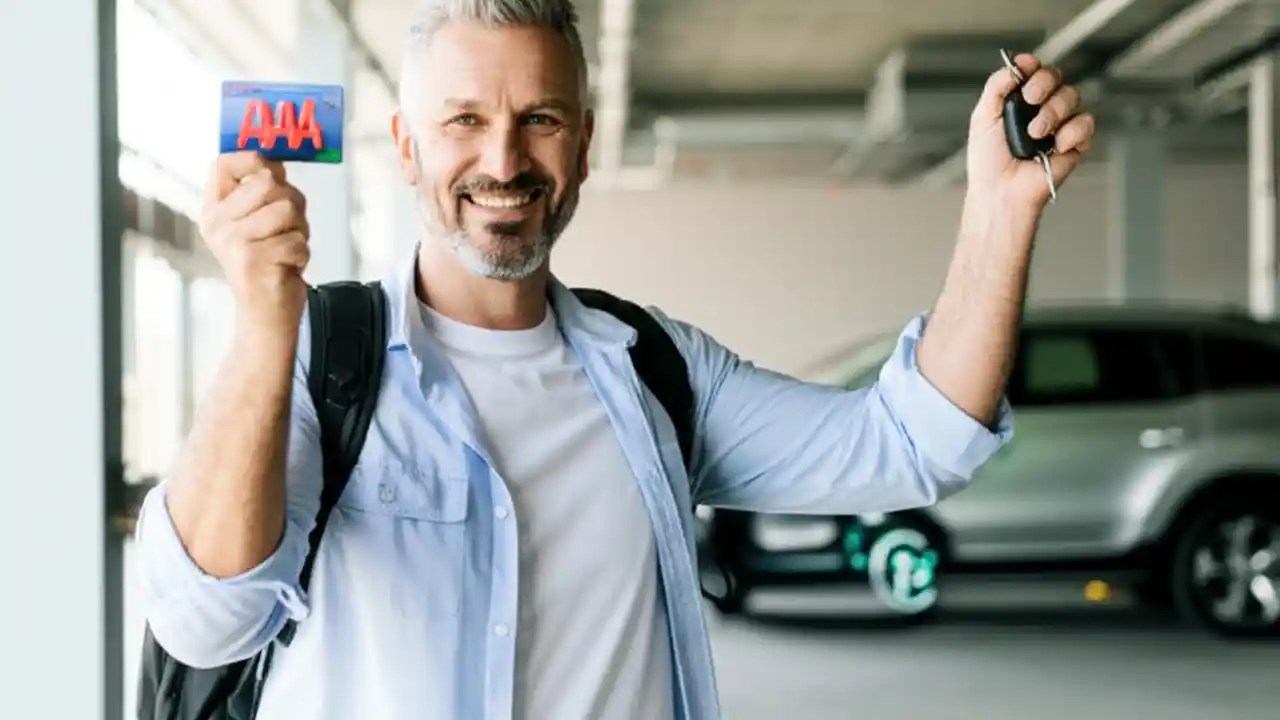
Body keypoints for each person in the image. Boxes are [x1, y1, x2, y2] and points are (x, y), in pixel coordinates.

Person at [133, 1, 1096, 718]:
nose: (503, 160)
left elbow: (911, 444)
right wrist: (266, 321)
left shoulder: (655, 374)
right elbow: (204, 623)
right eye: (464, 120)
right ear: (407, 146)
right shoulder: (317, 364)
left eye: (540, 118)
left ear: (584, 144)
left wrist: (1000, 211)